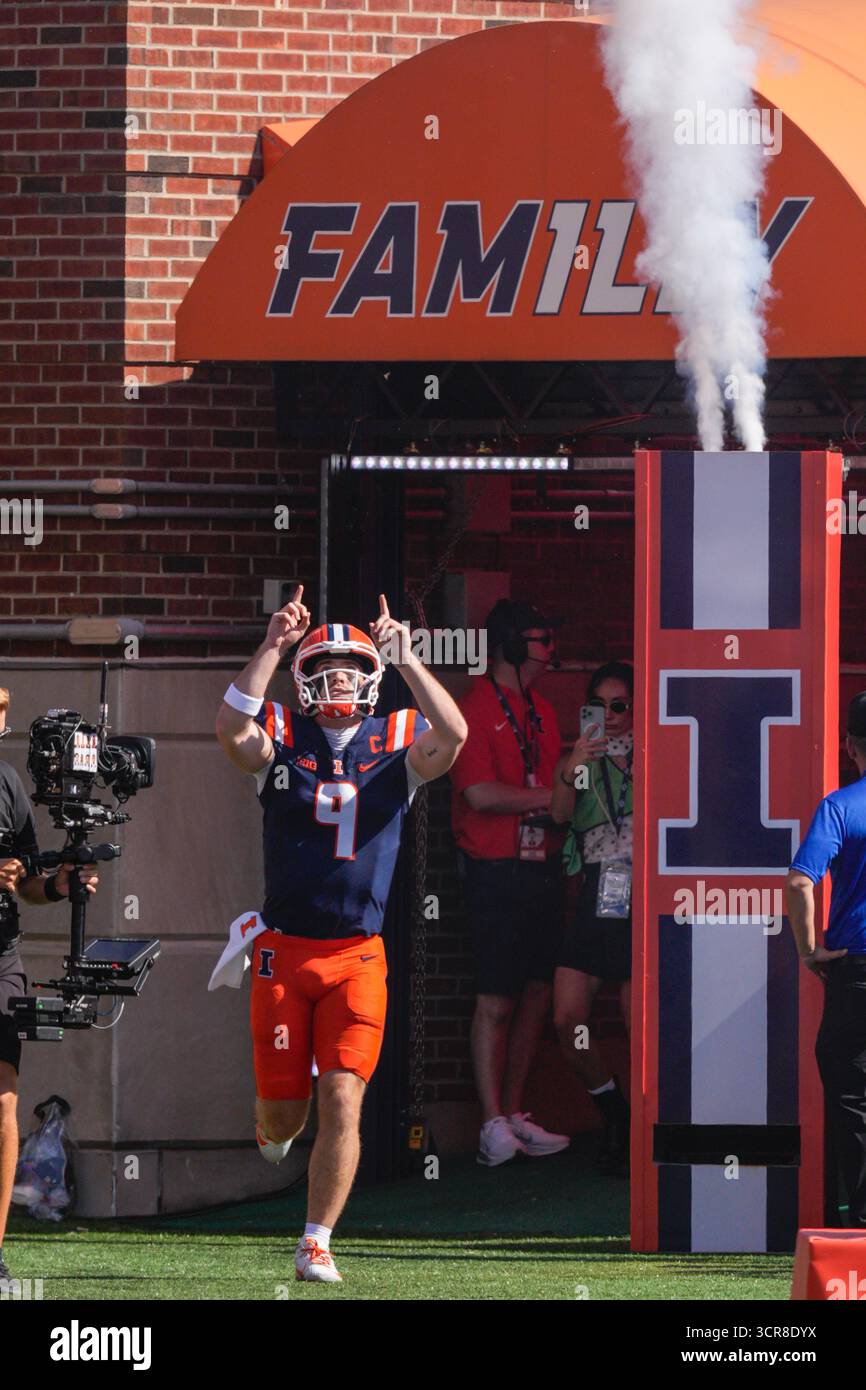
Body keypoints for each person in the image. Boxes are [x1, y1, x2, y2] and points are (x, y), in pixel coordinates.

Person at [215, 588, 466, 1283]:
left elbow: (455, 735)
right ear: (302, 677)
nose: (339, 678)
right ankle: (274, 1130)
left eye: (353, 666)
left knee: (344, 1093)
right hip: (284, 952)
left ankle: (316, 1240)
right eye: (322, 665)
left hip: (358, 953)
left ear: (372, 676)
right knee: (285, 1116)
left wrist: (411, 660)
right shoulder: (282, 734)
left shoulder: (396, 739)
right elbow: (232, 732)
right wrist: (270, 646)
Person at [450, 598, 570, 1167]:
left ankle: (516, 1113)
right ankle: (491, 1122)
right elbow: (479, 795)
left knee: (538, 993)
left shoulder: (544, 710)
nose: (551, 650)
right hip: (495, 871)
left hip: (544, 865)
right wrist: (549, 798)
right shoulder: (472, 707)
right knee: (495, 999)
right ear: (514, 644)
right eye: (542, 638)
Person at [0, 686, 99, 1283]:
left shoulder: (8, 783)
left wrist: (59, 886)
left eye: (2, 708)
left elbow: (28, 883)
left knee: (4, 1100)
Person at [550, 661, 634, 1178]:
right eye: (598, 706)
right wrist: (573, 764)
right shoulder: (580, 757)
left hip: (643, 890)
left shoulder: (658, 750)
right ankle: (613, 1111)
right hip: (597, 886)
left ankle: (644, 1127)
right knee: (567, 1018)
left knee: (638, 1018)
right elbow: (560, 814)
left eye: (620, 705)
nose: (610, 715)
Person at [786, 691, 866, 1228]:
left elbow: (799, 882)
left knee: (851, 1088)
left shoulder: (840, 806)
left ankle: (860, 1221)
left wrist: (808, 947)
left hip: (855, 967)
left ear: (851, 746)